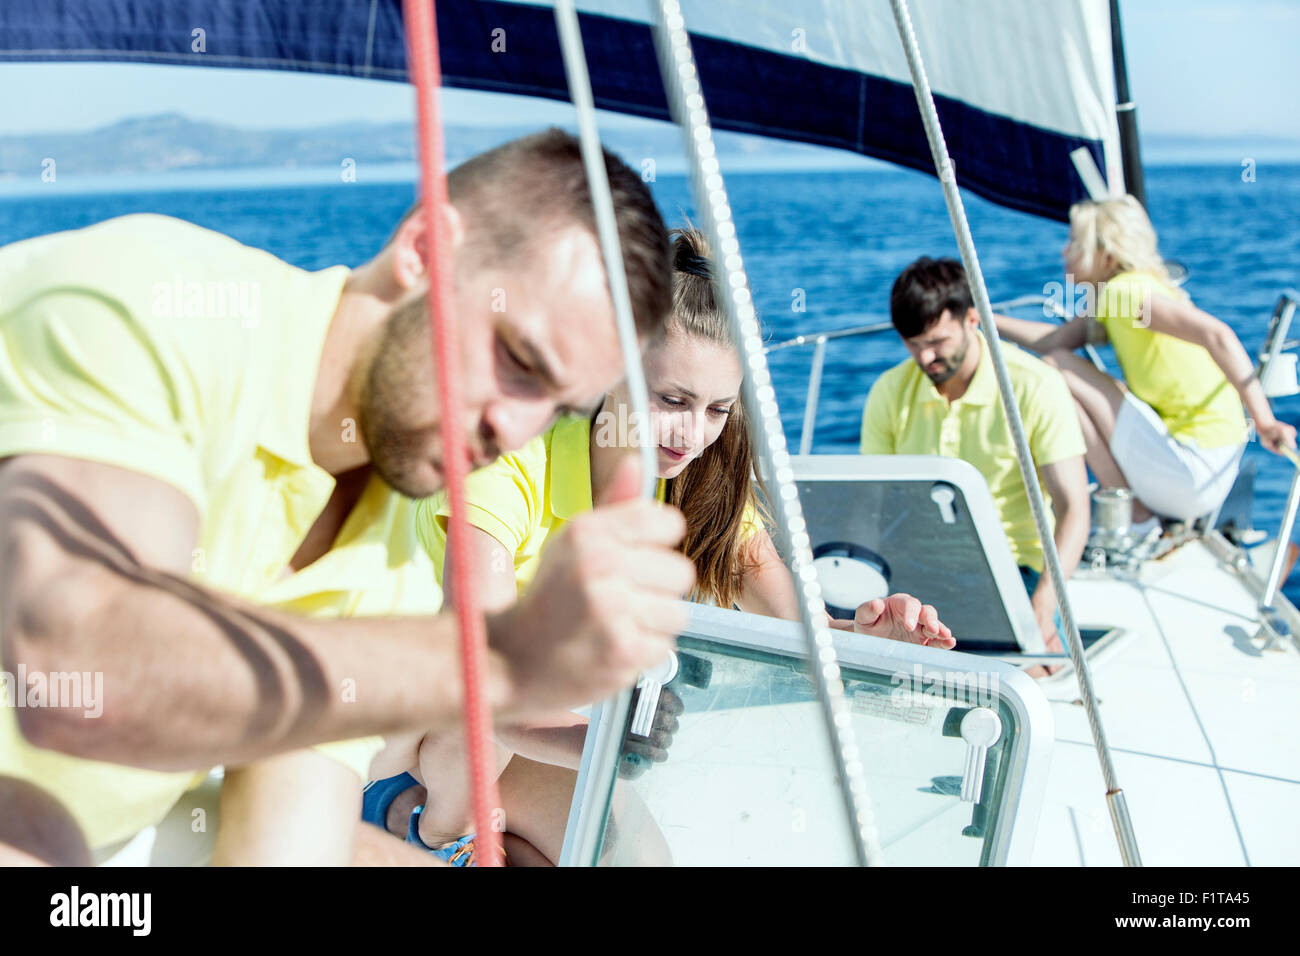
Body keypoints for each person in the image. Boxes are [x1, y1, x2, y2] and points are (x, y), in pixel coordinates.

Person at [0, 128, 691, 866]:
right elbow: (79, 673)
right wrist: (497, 662)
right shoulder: (147, 302)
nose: (513, 430)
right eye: (518, 361)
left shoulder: (386, 550)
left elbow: (281, 844)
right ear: (424, 249)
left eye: (557, 409)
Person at [366, 229, 956, 864]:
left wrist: (875, 639)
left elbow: (799, 628)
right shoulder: (503, 461)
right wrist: (604, 743)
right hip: (406, 729)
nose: (693, 434)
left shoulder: (694, 478)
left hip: (528, 729)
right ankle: (422, 823)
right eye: (672, 400)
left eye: (717, 409)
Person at [995, 195, 1293, 523]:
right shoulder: (1125, 293)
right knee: (1059, 365)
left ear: (1107, 256)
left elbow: (1218, 335)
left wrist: (1264, 421)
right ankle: (1131, 506)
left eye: (1074, 242)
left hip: (1192, 467)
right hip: (1209, 470)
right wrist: (982, 317)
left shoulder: (1125, 294)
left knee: (1055, 368)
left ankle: (1132, 513)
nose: (1064, 252)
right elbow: (1055, 339)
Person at [861, 257, 1090, 662]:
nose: (925, 358)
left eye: (937, 342)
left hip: (1015, 568)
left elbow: (1074, 507)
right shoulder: (888, 390)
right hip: (920, 567)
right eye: (913, 344)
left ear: (972, 319)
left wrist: (1042, 607)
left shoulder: (1036, 386)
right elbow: (872, 505)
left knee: (1023, 683)